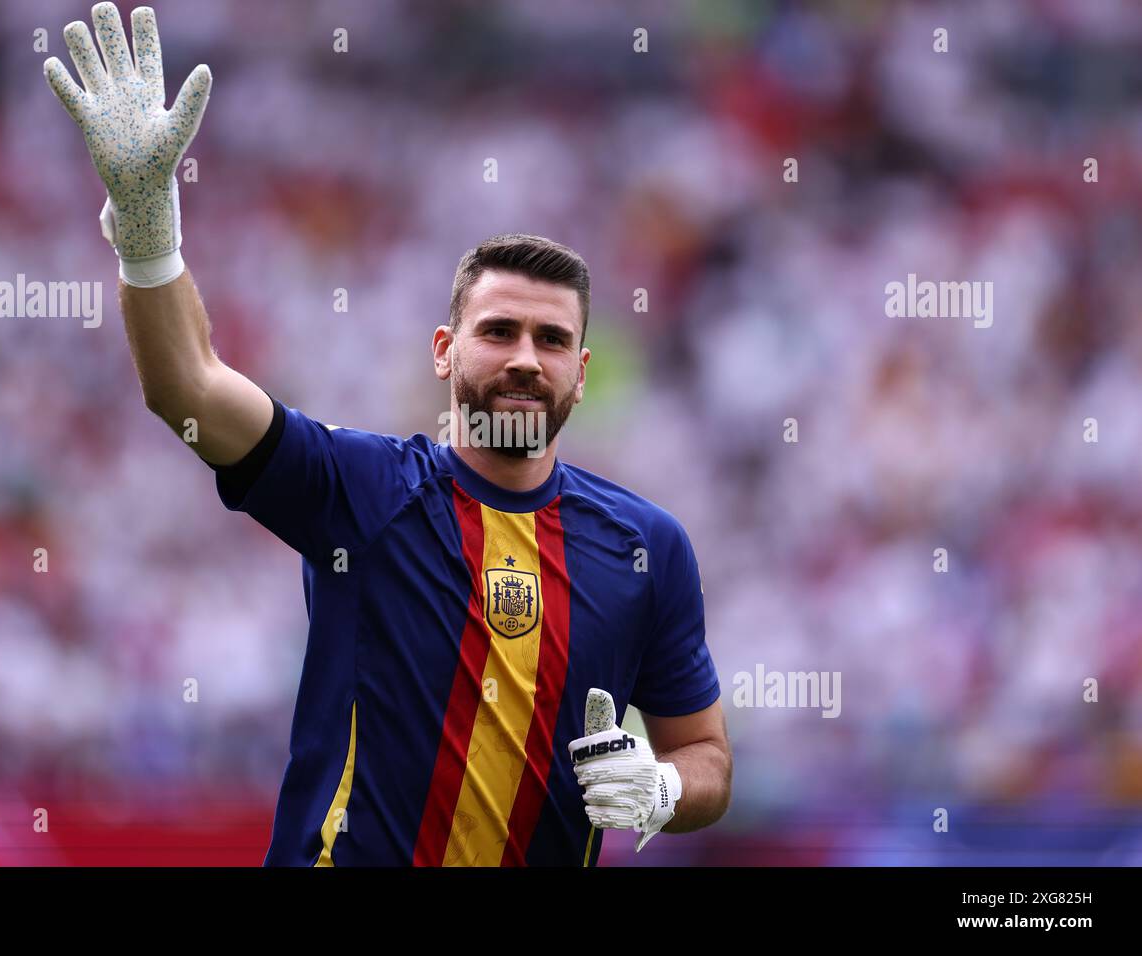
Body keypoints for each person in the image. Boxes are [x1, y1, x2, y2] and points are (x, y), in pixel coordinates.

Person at [45, 1, 732, 866]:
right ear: (445, 352)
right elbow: (187, 386)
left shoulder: (646, 547)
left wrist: (666, 788)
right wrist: (147, 228)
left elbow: (706, 755)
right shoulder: (363, 491)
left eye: (552, 340)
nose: (526, 358)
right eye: (499, 332)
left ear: (582, 372)